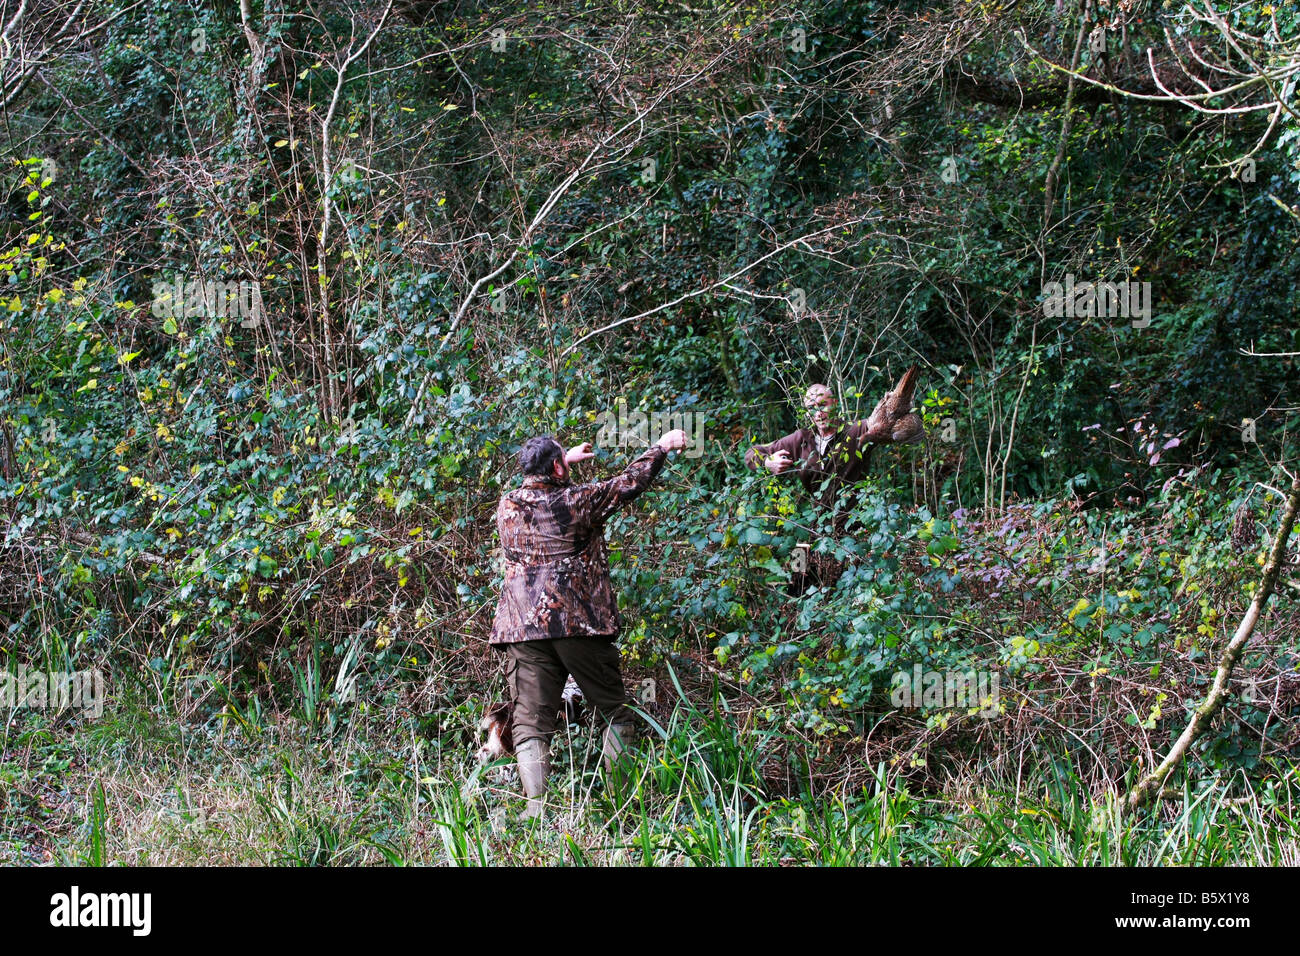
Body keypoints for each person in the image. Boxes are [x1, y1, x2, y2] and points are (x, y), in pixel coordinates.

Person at [490, 428, 688, 820]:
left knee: (531, 724)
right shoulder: (579, 500)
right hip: (576, 623)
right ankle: (619, 809)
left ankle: (535, 811)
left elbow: (544, 500)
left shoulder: (507, 504)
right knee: (615, 713)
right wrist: (661, 447)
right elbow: (628, 483)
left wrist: (563, 465)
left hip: (522, 630)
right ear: (558, 467)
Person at [744, 368, 924, 586]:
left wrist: (906, 426)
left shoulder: (857, 432)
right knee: (797, 581)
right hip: (812, 525)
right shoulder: (801, 439)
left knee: (844, 588)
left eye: (823, 405)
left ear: (835, 403)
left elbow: (895, 427)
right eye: (812, 408)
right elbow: (751, 453)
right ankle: (795, 608)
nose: (818, 413)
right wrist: (767, 462)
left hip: (853, 529)